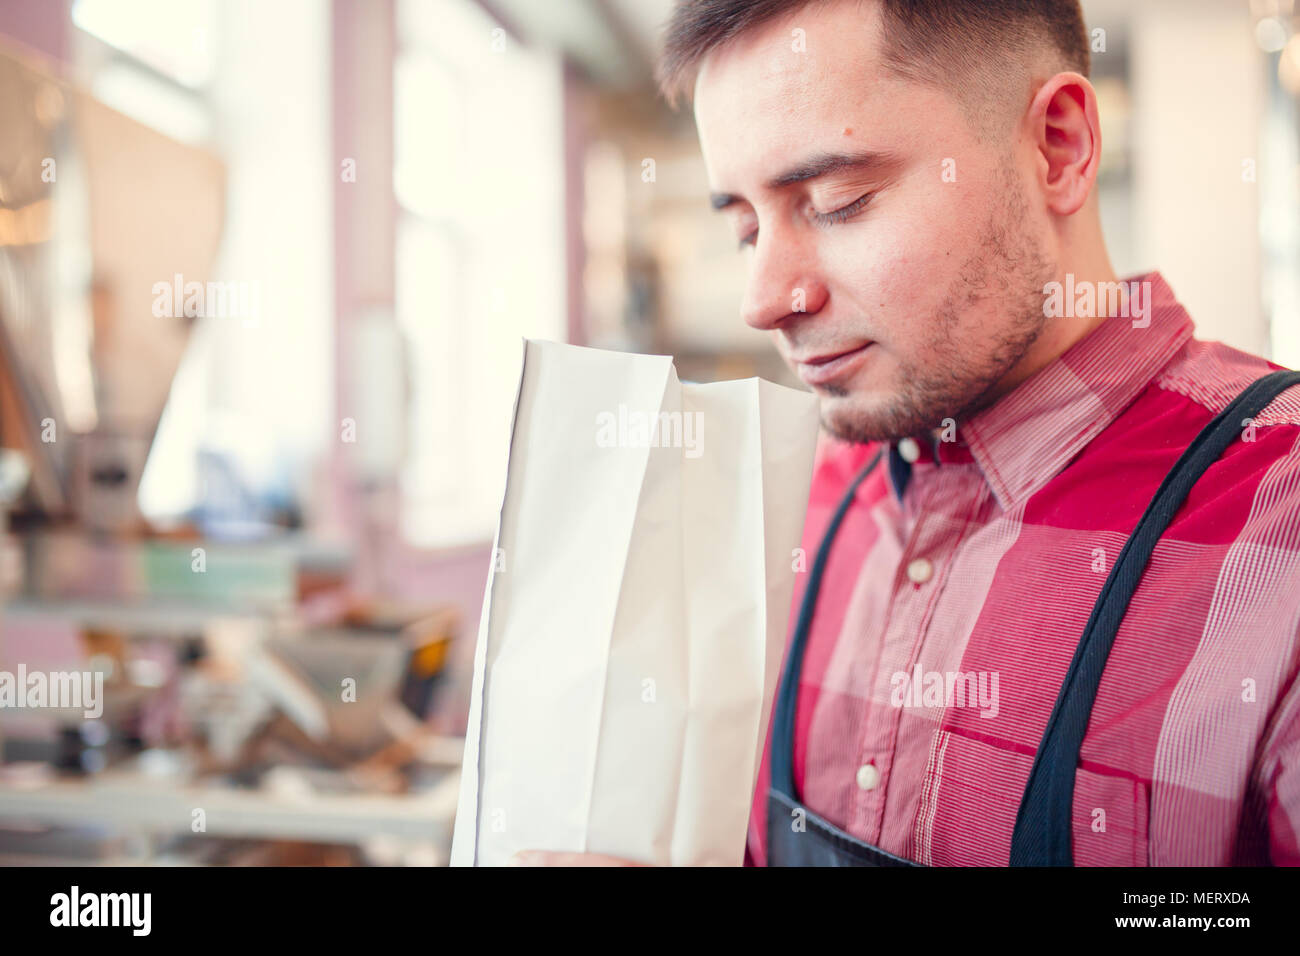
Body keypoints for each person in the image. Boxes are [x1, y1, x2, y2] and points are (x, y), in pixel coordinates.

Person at [512, 0, 1300, 866]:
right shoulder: (814, 501)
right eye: (744, 227)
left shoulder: (1278, 518)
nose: (764, 298)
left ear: (1058, 148)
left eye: (838, 202)